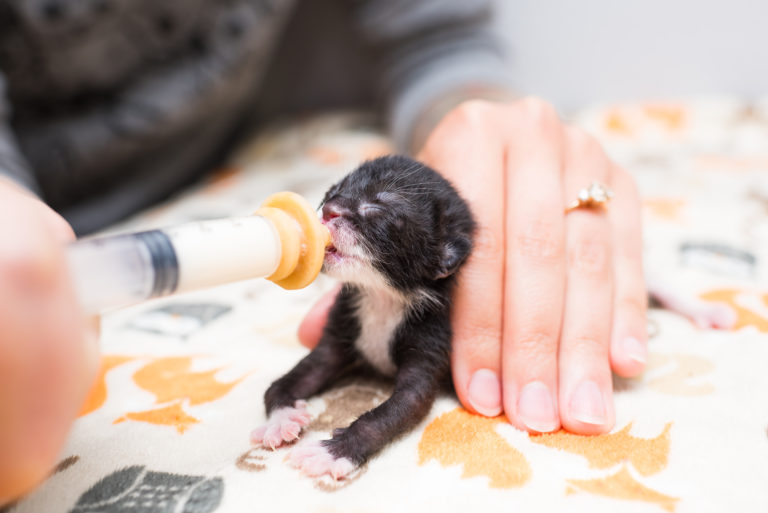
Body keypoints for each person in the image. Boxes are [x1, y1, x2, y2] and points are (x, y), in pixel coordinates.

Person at [0, 0, 646, 501]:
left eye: (379, 217)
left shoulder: (415, 304)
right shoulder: (353, 298)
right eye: (337, 197)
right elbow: (318, 363)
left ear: (441, 257)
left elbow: (437, 39)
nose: (332, 215)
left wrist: (494, 136)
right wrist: (285, 404)